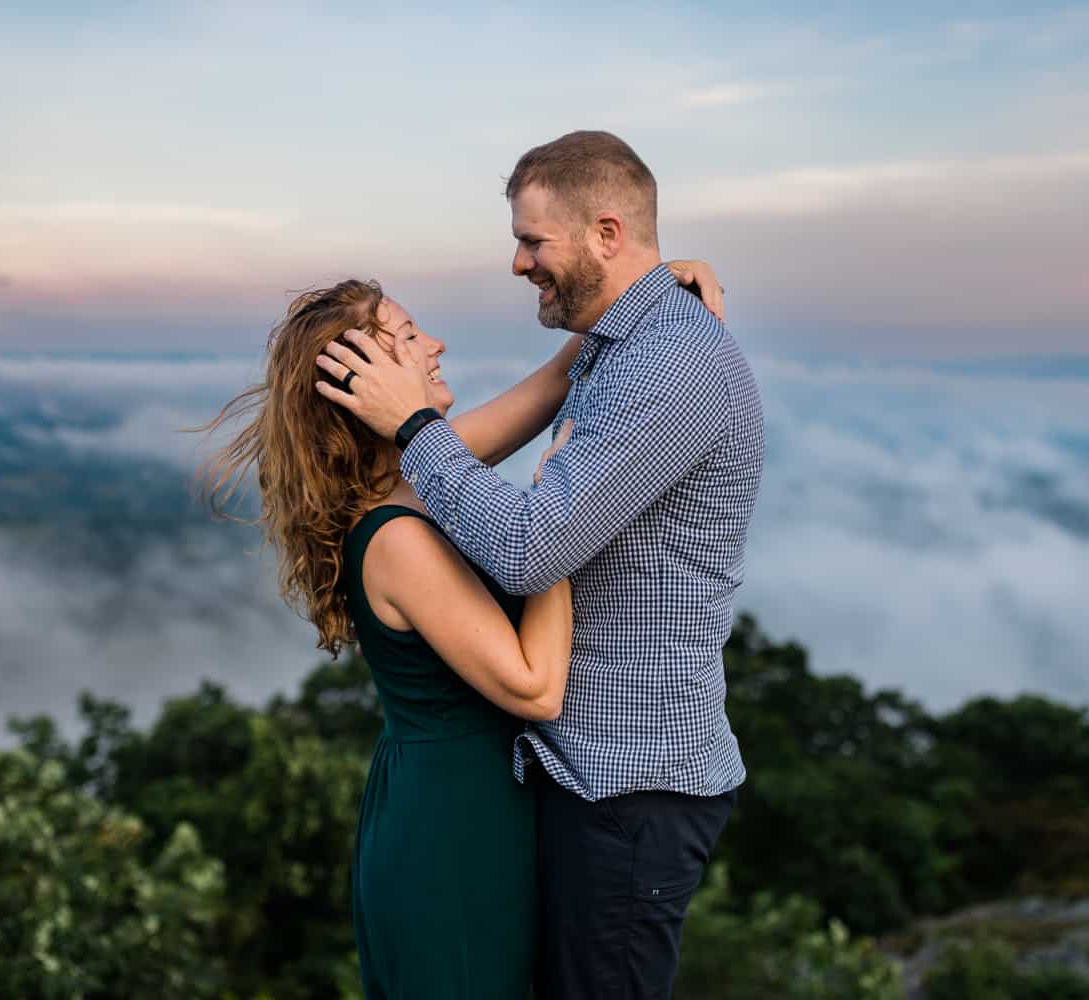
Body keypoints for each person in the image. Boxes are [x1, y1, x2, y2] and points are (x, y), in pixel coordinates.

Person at [315, 130, 765, 1000]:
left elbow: (530, 548)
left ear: (604, 233)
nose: (518, 263)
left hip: (633, 788)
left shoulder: (672, 364)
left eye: (532, 241)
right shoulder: (620, 345)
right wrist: (653, 280)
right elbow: (470, 465)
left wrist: (416, 424)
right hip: (575, 779)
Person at [200, 259, 725, 997]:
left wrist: (643, 290)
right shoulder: (395, 536)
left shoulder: (408, 474)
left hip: (472, 808)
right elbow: (536, 688)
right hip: (452, 832)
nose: (437, 345)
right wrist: (560, 523)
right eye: (411, 336)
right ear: (367, 382)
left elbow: (549, 386)